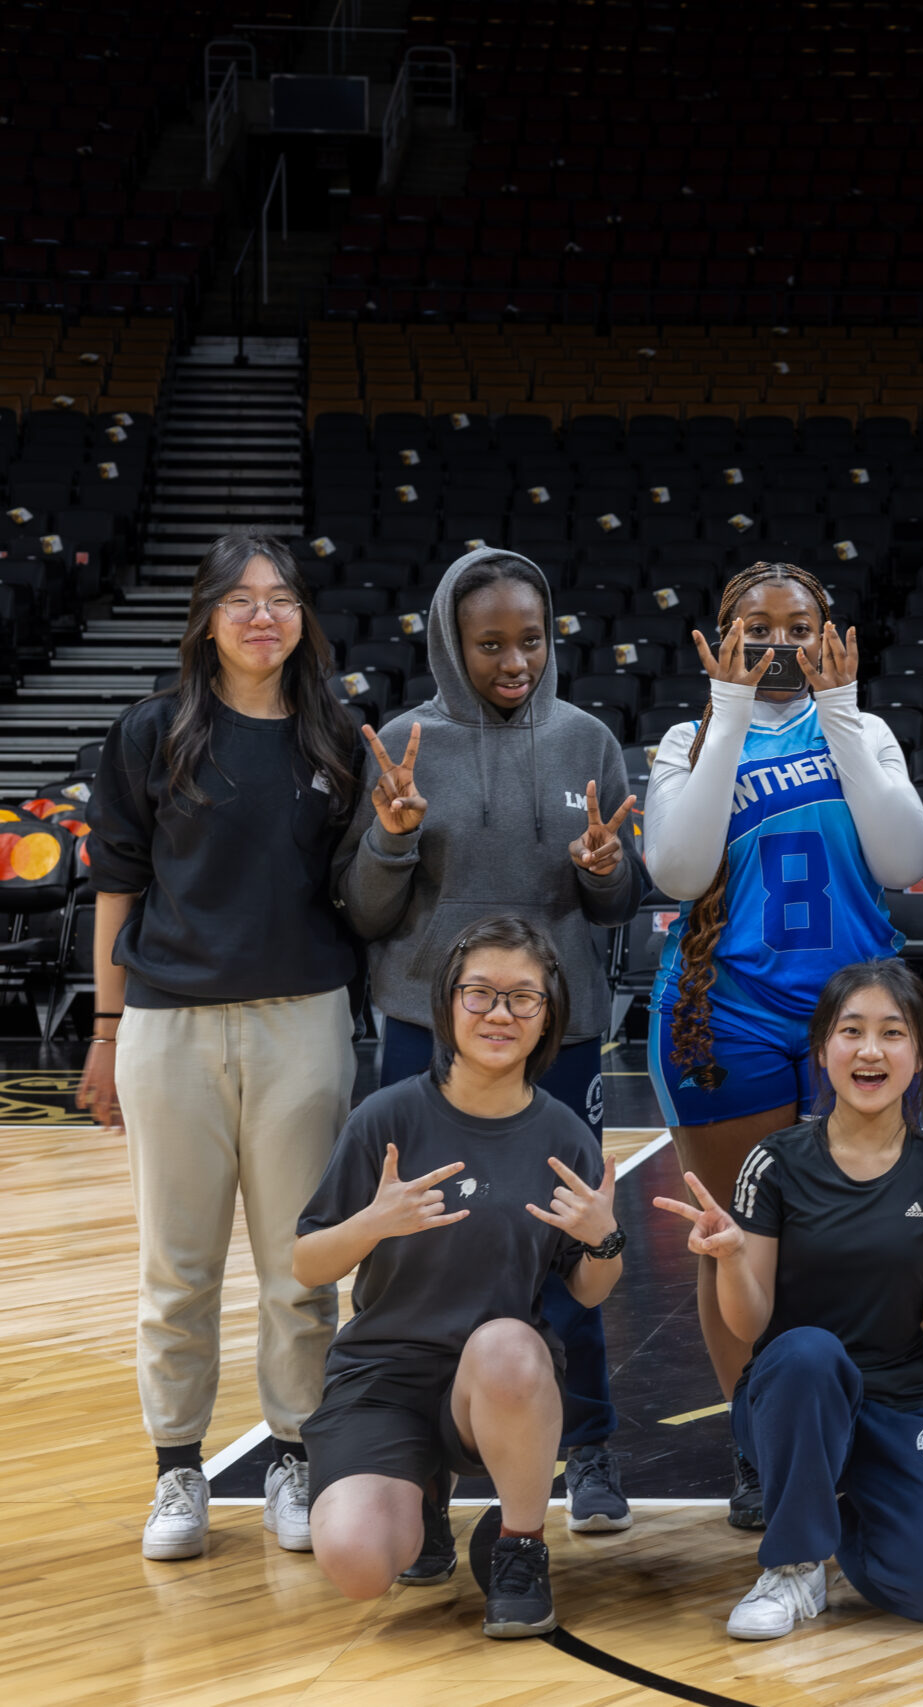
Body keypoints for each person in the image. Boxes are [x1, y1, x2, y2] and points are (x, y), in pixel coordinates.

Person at [335, 546, 641, 1536]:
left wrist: (602, 870)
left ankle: (587, 1445)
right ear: (448, 643)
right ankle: (419, 1459)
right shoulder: (405, 741)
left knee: (570, 1233)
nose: (515, 661)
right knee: (422, 1246)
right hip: (431, 1028)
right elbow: (367, 911)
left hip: (563, 1033)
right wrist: (390, 836)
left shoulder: (588, 739)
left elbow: (615, 902)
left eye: (531, 640)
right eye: (490, 644)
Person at [78, 531, 363, 1564]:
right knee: (178, 1264)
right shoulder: (152, 732)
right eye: (239, 599)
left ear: (301, 619)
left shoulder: (337, 737)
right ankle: (178, 1472)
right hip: (167, 1023)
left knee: (301, 1264)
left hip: (303, 1017)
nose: (260, 614)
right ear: (205, 618)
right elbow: (118, 888)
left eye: (280, 597)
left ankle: (293, 1454)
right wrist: (106, 1031)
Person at [643, 561, 923, 1525]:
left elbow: (907, 859)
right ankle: (759, 1442)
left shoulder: (863, 727)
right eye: (754, 627)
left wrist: (843, 710)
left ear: (829, 634)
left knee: (882, 1237)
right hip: (724, 1013)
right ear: (719, 638)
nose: (778, 643)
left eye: (797, 626)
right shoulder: (688, 740)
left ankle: (887, 1432)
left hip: (855, 1017)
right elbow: (680, 870)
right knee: (736, 1241)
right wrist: (729, 712)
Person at [652, 960, 923, 1639]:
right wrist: (732, 1260)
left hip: (898, 1401)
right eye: (851, 1031)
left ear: (919, 1053)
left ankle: (840, 1504)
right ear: (822, 1050)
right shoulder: (775, 1162)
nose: (870, 1050)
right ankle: (794, 1564)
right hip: (790, 1395)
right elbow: (751, 1323)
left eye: (892, 1033)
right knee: (808, 1351)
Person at [292, 917, 623, 1641]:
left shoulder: (566, 1135)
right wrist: (371, 1223)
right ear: (447, 1003)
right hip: (384, 1375)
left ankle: (520, 1548)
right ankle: (424, 1500)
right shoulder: (387, 1117)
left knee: (507, 1343)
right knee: (356, 1562)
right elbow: (308, 1261)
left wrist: (605, 1239)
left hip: (494, 1376)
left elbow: (592, 1290)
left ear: (547, 1017)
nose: (499, 1013)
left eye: (522, 998)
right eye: (480, 992)